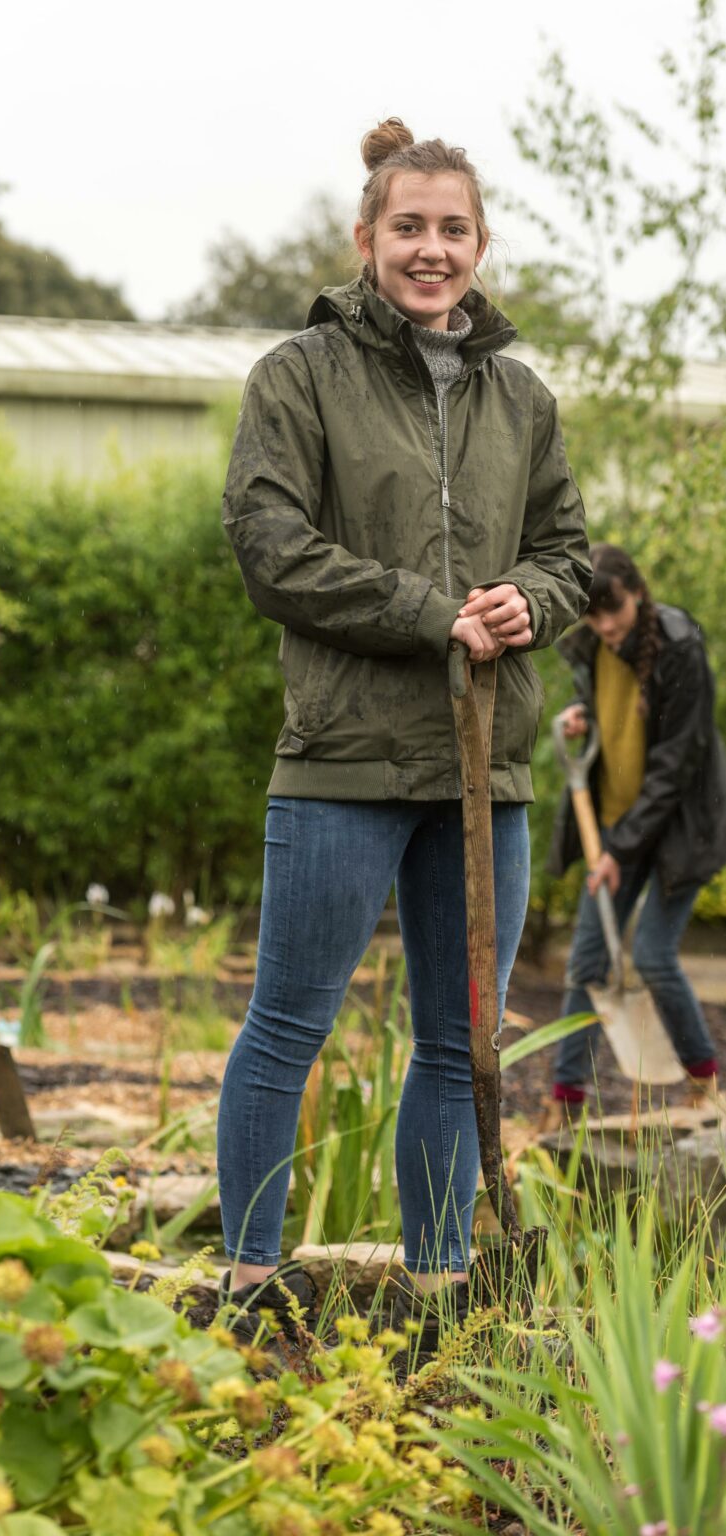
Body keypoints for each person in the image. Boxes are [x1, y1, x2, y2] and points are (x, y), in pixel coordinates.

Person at [217, 117, 590, 1343]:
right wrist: (435, 613)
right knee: (288, 1024)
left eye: (451, 230)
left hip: (484, 768)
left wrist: (524, 601)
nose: (429, 251)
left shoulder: (519, 399)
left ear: (479, 246)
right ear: (364, 238)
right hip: (342, 758)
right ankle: (249, 1280)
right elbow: (272, 552)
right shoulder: (298, 377)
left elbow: (565, 554)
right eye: (407, 228)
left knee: (457, 1040)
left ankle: (434, 1286)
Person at [544, 543, 726, 1120]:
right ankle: (565, 1102)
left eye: (612, 612)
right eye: (593, 616)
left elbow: (677, 761)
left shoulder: (679, 646)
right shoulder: (597, 644)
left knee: (651, 955)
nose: (604, 626)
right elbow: (616, 711)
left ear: (638, 593)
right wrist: (582, 712)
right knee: (587, 962)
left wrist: (620, 848)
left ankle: (705, 1081)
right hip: (617, 827)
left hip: (678, 830)